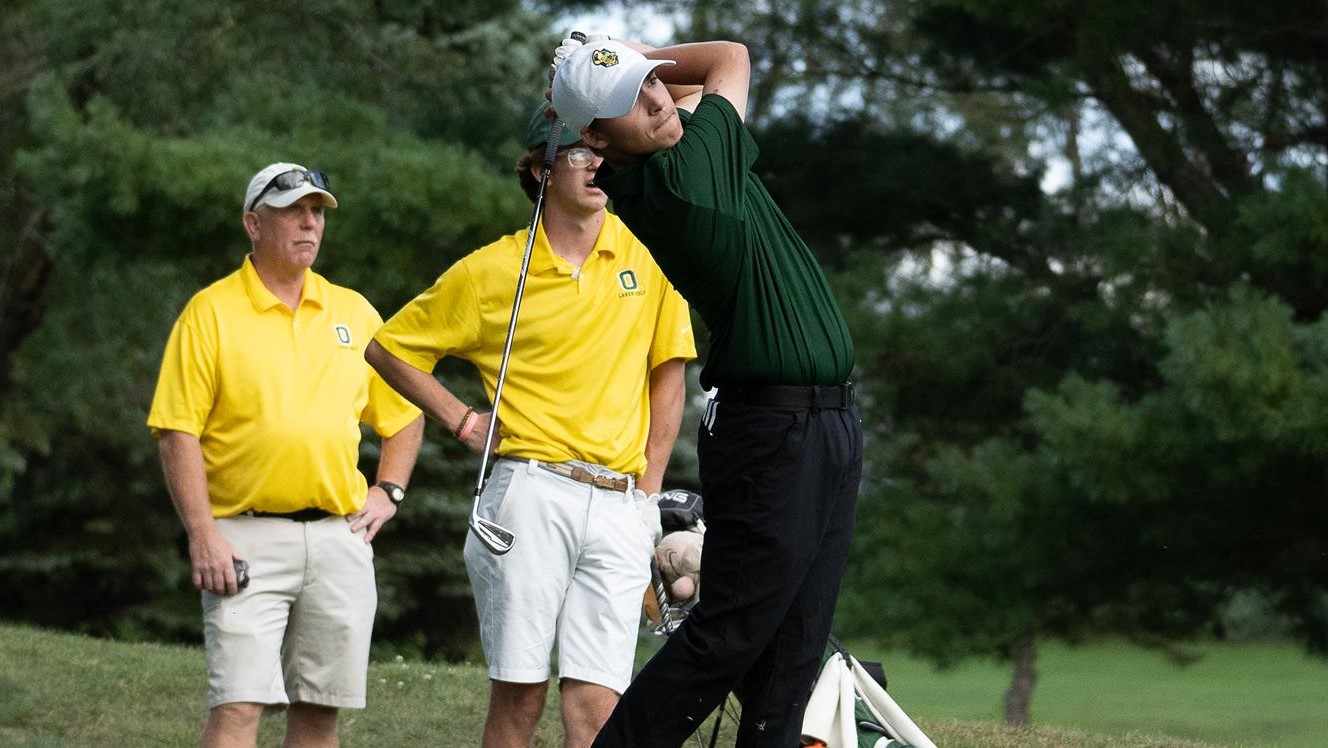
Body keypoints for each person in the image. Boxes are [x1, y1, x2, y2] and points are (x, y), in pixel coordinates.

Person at [550, 36, 863, 748]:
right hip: (774, 431)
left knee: (794, 649)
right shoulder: (686, 177)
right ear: (597, 137)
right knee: (730, 636)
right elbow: (731, 58)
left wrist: (613, 68)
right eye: (630, 99)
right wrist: (636, 49)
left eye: (649, 83)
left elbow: (683, 101)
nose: (656, 97)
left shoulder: (667, 151)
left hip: (823, 425)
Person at [364, 105, 697, 748]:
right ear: (542, 171)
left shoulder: (648, 253)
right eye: (580, 153)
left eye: (608, 154)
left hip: (621, 502)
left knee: (600, 705)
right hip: (530, 491)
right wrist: (460, 418)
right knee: (520, 698)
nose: (599, 165)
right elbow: (390, 348)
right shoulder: (493, 270)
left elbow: (669, 376)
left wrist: (649, 493)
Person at [146, 162, 424, 748]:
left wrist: (388, 491)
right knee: (239, 706)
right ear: (253, 223)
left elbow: (404, 416)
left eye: (317, 211)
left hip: (337, 538)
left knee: (321, 713)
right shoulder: (211, 313)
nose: (309, 223)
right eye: (292, 210)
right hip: (242, 539)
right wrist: (201, 534)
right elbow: (177, 432)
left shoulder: (353, 312)